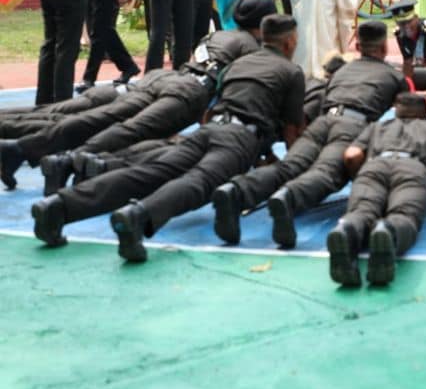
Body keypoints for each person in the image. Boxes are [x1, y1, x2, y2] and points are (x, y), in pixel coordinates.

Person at [31, 14, 307, 263]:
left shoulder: (238, 64)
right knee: (199, 182)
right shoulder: (291, 72)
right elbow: (292, 131)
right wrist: (292, 169)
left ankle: (59, 206)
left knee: (148, 172)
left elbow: (210, 110)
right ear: (290, 42)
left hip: (209, 129)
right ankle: (139, 217)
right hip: (239, 139)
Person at [0, 0, 277, 193]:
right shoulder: (252, 50)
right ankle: (64, 162)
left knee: (104, 118)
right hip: (191, 91)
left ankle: (21, 149)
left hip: (165, 78)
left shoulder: (219, 35)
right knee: (130, 130)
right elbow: (236, 91)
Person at [212, 21, 408, 247]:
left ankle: (236, 191)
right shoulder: (394, 77)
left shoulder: (342, 71)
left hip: (323, 122)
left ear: (358, 46)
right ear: (384, 47)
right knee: (327, 173)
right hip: (353, 125)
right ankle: (289, 197)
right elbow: (407, 120)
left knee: (289, 167)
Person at [326, 93, 426, 286]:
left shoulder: (376, 126)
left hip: (374, 167)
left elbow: (352, 155)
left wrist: (362, 181)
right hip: (413, 169)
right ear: (424, 112)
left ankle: (347, 228)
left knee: (361, 211)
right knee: (404, 214)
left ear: (396, 110)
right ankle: (388, 230)